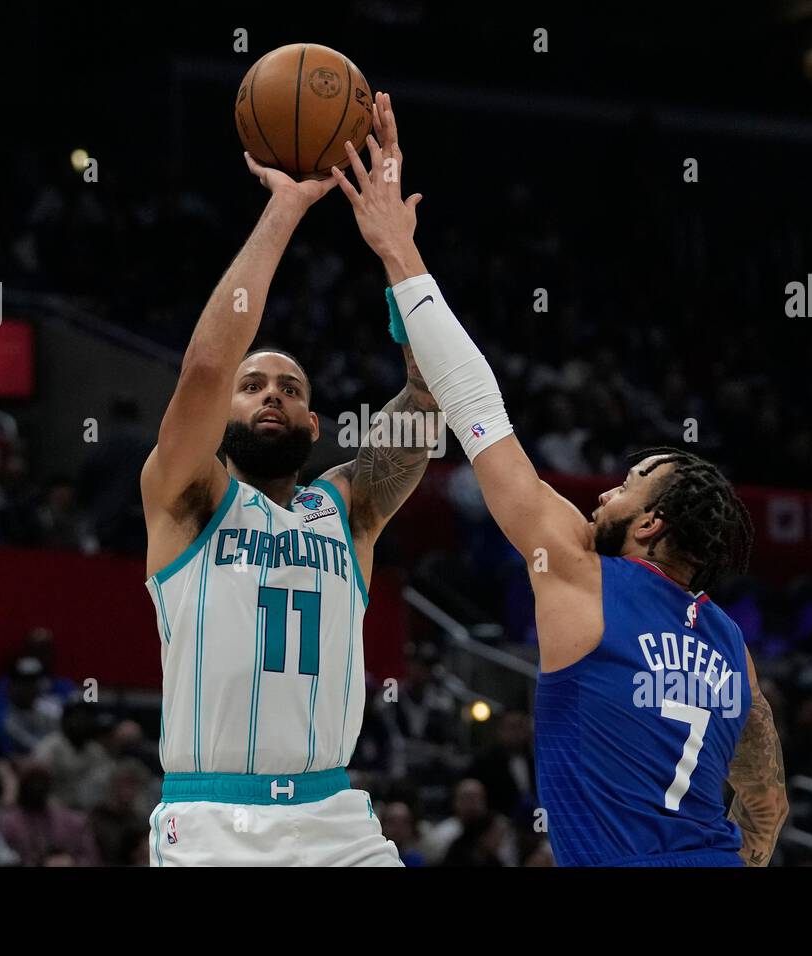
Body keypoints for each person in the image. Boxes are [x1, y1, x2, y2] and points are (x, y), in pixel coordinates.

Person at [332, 92, 788, 866]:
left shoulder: (579, 573)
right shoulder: (731, 645)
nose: (606, 490)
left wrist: (399, 254)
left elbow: (478, 408)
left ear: (652, 526)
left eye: (631, 483)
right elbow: (768, 801)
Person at [138, 97, 439, 866]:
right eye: (255, 385)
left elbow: (431, 397)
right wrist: (286, 206)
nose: (272, 393)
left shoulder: (349, 508)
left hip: (336, 817)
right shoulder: (188, 499)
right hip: (211, 819)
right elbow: (206, 365)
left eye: (291, 389)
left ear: (312, 427)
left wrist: (399, 255)